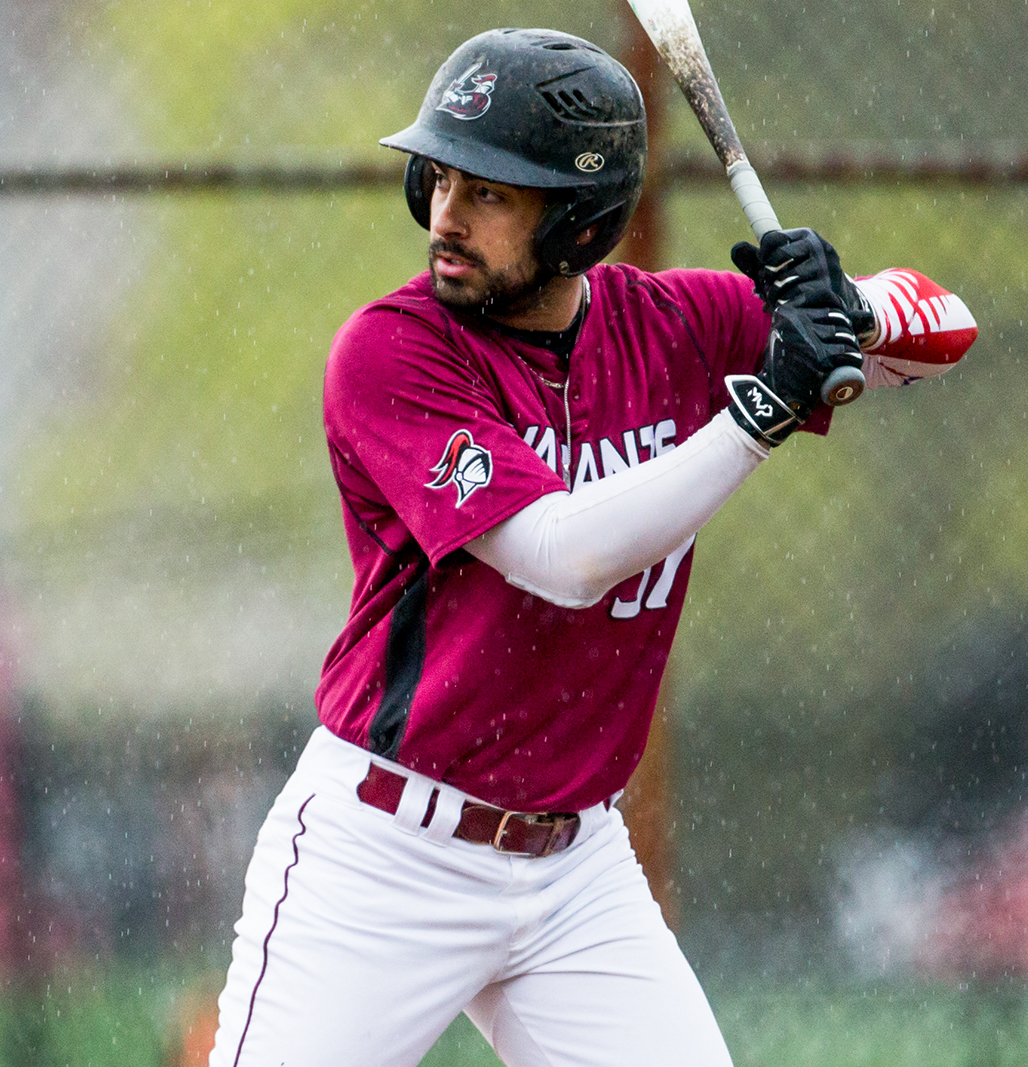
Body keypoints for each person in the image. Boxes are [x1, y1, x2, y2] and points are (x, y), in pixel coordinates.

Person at [208, 28, 976, 1067]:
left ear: (576, 220)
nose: (445, 215)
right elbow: (565, 558)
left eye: (491, 194)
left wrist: (847, 306)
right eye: (440, 178)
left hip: (574, 870)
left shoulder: (670, 324)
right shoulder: (392, 351)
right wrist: (758, 413)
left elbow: (948, 329)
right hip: (384, 856)